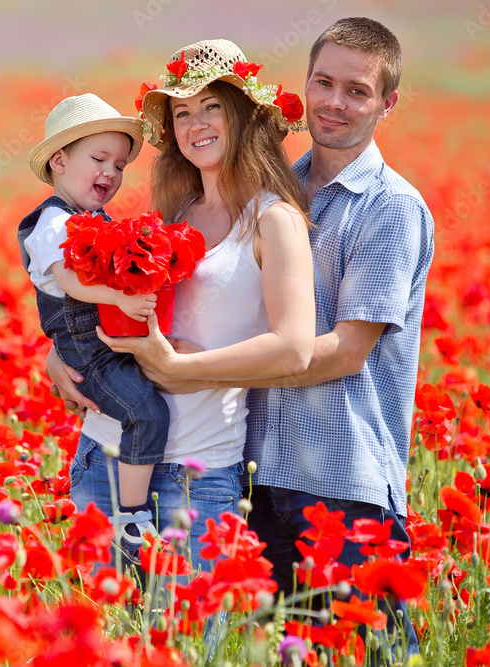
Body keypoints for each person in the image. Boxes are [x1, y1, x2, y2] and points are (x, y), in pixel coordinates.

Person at [84, 18, 434, 661]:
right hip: (252, 470)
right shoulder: (268, 190)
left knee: (366, 653)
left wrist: (184, 371)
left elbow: (348, 349)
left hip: (341, 477)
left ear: (387, 104)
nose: (334, 101)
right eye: (323, 82)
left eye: (356, 91)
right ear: (303, 85)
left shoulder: (391, 206)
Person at [49, 39, 317, 573]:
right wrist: (59, 356)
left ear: (242, 114)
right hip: (105, 453)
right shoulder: (170, 212)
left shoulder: (273, 220)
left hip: (198, 475)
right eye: (182, 112)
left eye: (211, 106)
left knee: (188, 645)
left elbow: (293, 349)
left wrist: (181, 368)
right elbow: (114, 306)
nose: (196, 124)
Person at [20, 93, 168, 564]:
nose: (110, 172)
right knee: (146, 414)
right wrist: (120, 298)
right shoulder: (53, 224)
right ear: (59, 162)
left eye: (120, 165)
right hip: (88, 353)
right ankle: (132, 518)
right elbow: (67, 278)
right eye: (99, 158)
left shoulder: (91, 220)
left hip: (104, 345)